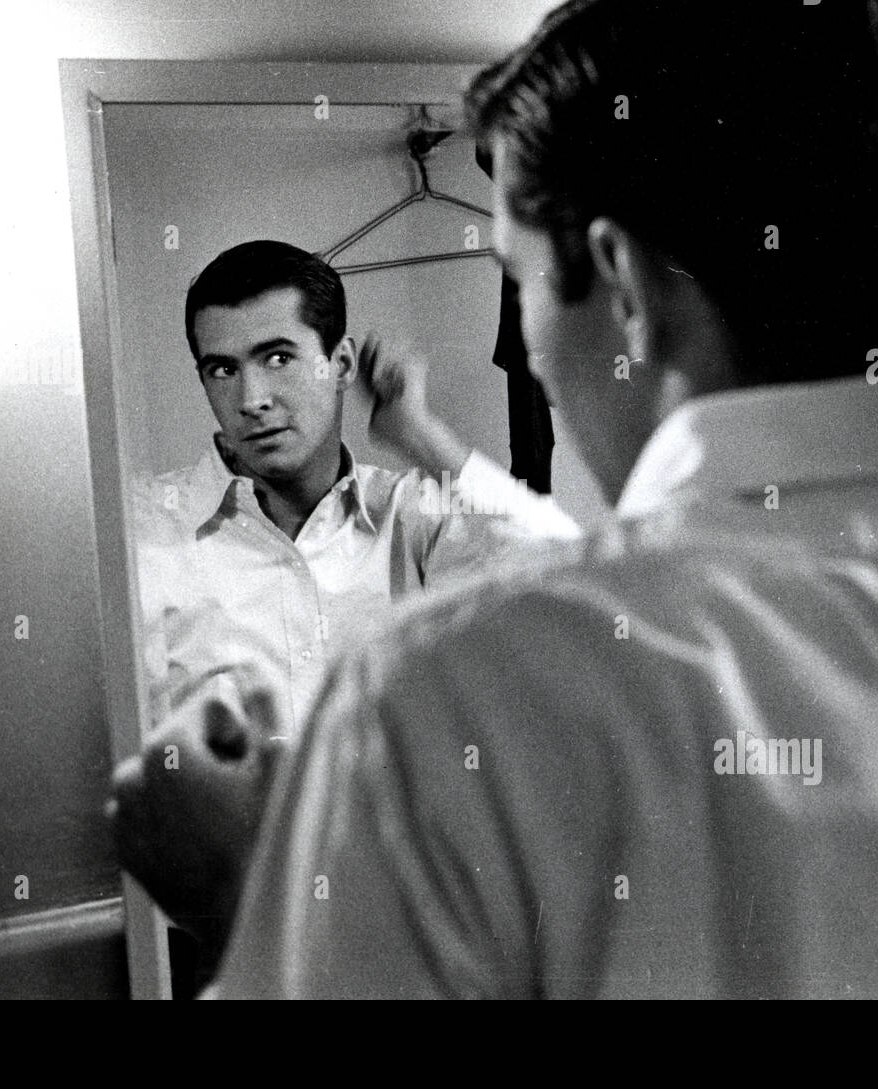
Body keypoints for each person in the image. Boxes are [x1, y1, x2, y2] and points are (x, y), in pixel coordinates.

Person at [191, 0, 878, 999]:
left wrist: (254, 885)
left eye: (519, 281)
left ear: (622, 283)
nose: (533, 352)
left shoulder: (434, 702)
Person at [112, 239, 578, 956]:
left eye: (278, 357)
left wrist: (418, 433)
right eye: (221, 369)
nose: (252, 399)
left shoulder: (414, 517)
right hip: (221, 951)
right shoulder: (141, 532)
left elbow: (567, 571)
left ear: (340, 362)